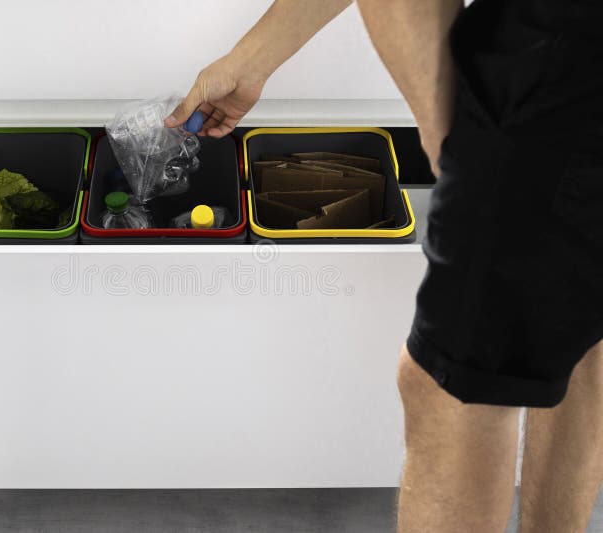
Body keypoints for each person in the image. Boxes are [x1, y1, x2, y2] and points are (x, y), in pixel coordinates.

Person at [166, 0, 603, 531]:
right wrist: (251, 61)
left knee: (452, 391)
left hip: (557, 84)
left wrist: (452, 147)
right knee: (582, 343)